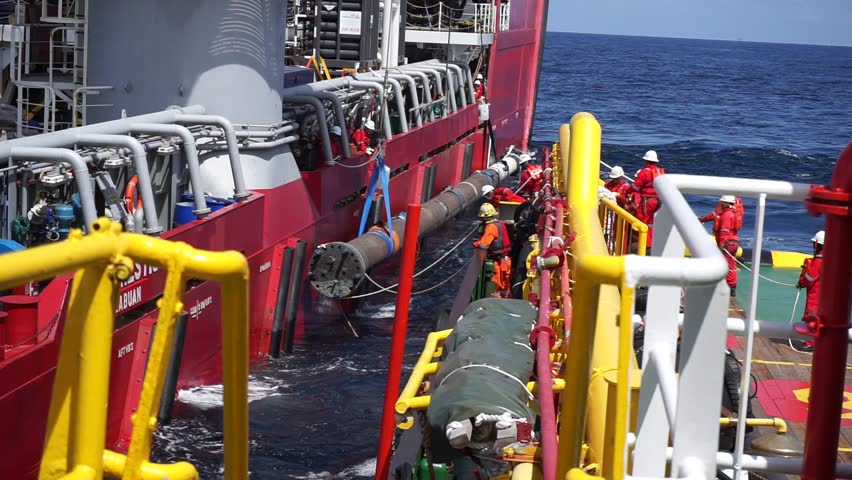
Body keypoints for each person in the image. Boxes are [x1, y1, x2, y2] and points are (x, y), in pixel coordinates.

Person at [699, 195, 740, 297]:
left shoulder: (726, 215)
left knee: (722, 264)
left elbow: (724, 230)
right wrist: (701, 219)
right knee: (731, 265)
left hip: (727, 243)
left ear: (726, 203)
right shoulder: (732, 212)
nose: (720, 203)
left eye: (722, 202)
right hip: (734, 242)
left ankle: (722, 287)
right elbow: (712, 215)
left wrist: (722, 244)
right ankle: (732, 287)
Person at [473, 203, 512, 298]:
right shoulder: (500, 224)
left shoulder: (491, 227)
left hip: (499, 263)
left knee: (495, 285)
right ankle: (506, 301)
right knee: (505, 286)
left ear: (484, 217)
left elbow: (484, 245)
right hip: (506, 260)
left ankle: (495, 303)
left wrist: (476, 243)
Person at [629, 150, 665, 250]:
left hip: (647, 202)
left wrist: (627, 191)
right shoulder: (661, 172)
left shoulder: (644, 172)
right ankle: (652, 243)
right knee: (651, 223)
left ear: (646, 160)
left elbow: (636, 187)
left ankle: (645, 245)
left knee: (642, 221)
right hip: (659, 201)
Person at [795, 230, 824, 352]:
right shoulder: (829, 258)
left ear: (817, 244)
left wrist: (801, 282)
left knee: (811, 316)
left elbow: (810, 277)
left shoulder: (818, 261)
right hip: (823, 293)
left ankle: (810, 342)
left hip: (815, 293)